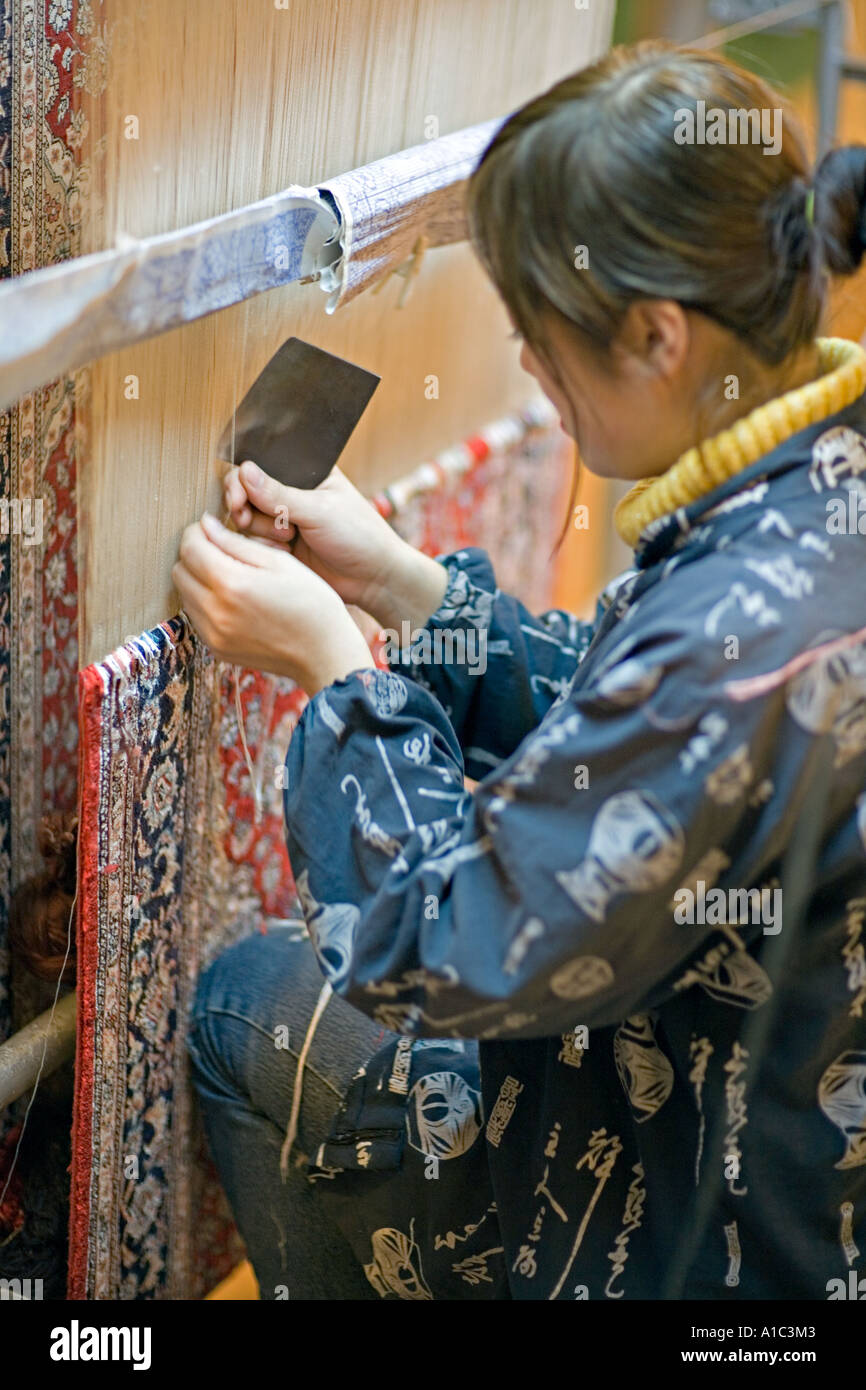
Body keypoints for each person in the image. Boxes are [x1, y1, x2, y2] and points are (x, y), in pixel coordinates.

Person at [178, 41, 866, 1300]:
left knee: (243, 1007)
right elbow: (636, 725)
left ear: (657, 335)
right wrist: (406, 590)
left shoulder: (741, 638)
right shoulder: (817, 490)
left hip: (686, 1241)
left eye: (544, 352)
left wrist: (341, 671)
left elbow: (440, 955)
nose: (537, 390)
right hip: (784, 1152)